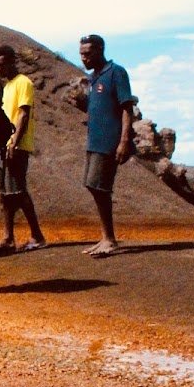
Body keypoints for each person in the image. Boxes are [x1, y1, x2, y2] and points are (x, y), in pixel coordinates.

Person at [0, 45, 48, 258]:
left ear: (12, 62)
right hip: (3, 145)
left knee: (18, 191)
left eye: (1, 65)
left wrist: (14, 142)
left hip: (16, 146)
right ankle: (8, 238)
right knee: (5, 193)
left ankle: (37, 236)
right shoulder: (7, 86)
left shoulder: (23, 83)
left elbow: (23, 114)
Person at [79, 34, 135, 258]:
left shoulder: (116, 72)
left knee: (99, 186)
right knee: (92, 185)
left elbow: (126, 108)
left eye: (88, 53)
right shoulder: (93, 78)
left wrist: (124, 141)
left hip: (109, 140)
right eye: (81, 54)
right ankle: (105, 237)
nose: (84, 58)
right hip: (94, 140)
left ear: (100, 50)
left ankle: (110, 240)